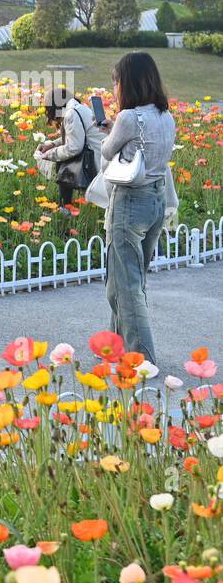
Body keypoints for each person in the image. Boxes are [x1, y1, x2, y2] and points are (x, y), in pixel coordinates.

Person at [100, 52, 178, 367]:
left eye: (116, 81)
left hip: (130, 202)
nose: (115, 88)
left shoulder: (129, 117)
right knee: (126, 281)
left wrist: (110, 131)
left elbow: (107, 150)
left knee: (127, 285)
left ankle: (142, 359)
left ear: (127, 83)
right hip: (156, 201)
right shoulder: (165, 115)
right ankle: (115, 348)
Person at [36, 86, 105, 211]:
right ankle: (65, 207)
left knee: (62, 163)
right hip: (99, 154)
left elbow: (74, 147)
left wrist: (49, 155)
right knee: (62, 156)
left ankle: (65, 209)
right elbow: (74, 136)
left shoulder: (71, 114)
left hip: (95, 161)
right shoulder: (77, 108)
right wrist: (52, 145)